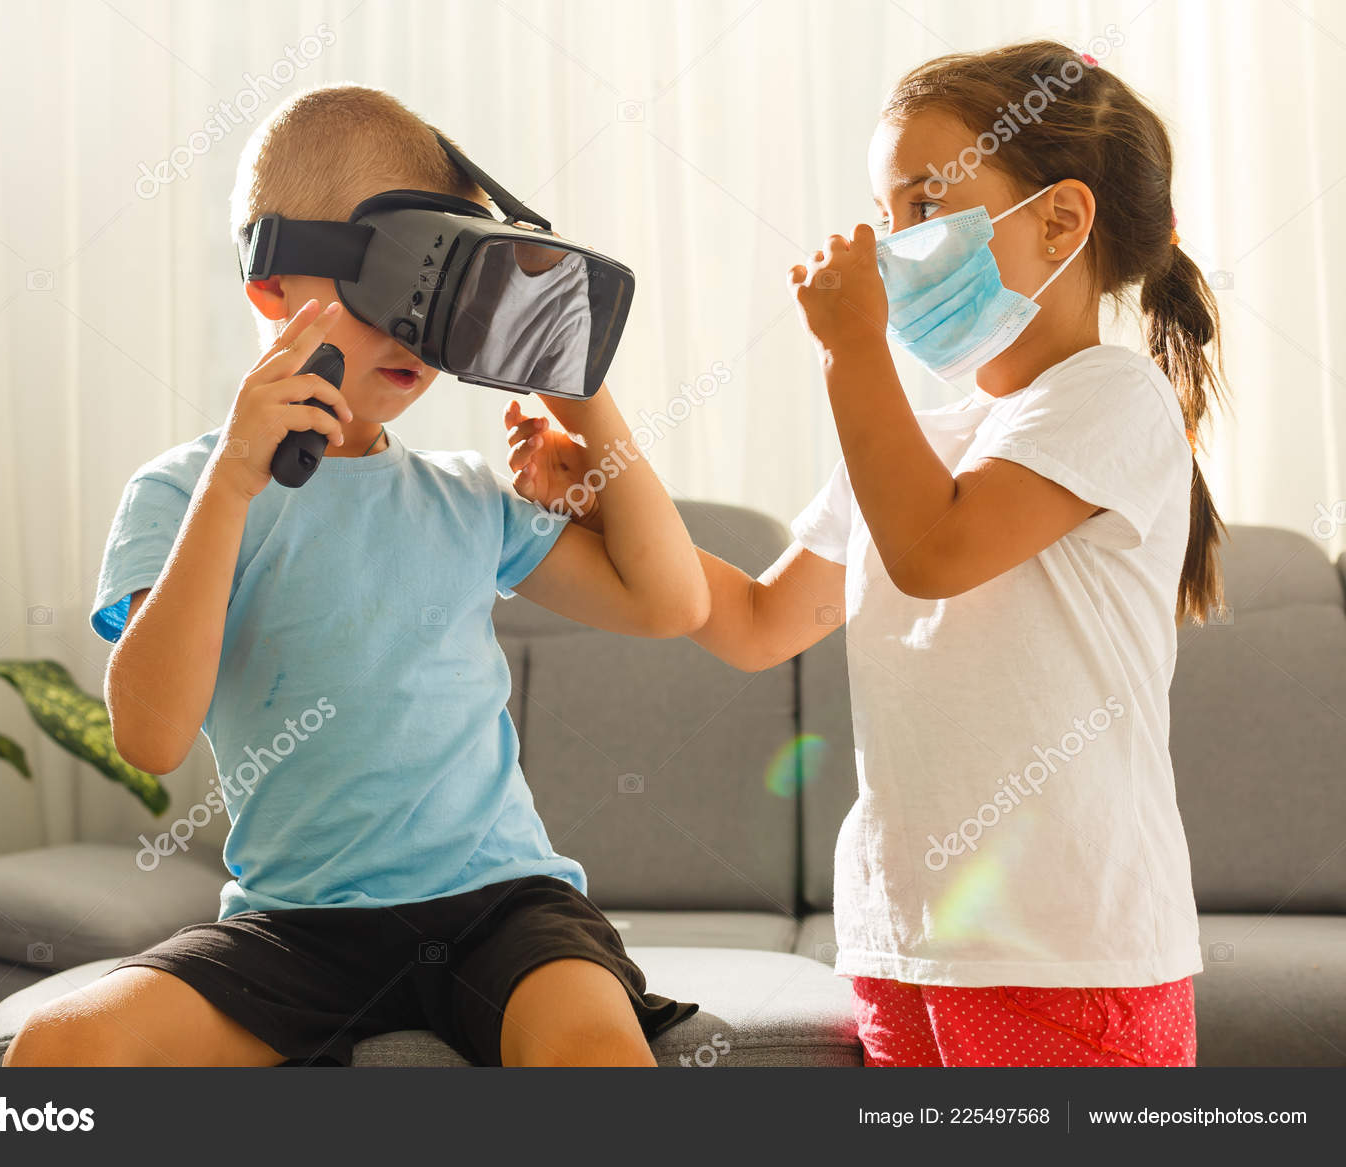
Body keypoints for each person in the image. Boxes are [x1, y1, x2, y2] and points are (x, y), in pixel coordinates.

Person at [508, 41, 1221, 1067]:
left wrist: (852, 354)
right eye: (888, 217)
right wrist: (600, 489)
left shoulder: (1110, 399)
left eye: (925, 208)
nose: (894, 248)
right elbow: (756, 623)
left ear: (1061, 220)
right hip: (903, 942)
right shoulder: (912, 442)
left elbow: (935, 550)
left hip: (1065, 953)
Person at [3, 85, 708, 1069]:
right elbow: (153, 735)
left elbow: (671, 602)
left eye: (452, 289)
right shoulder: (180, 496)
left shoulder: (466, 498)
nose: (420, 328)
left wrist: (581, 396)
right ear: (271, 287)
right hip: (300, 925)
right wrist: (232, 487)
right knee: (60, 1050)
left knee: (593, 1055)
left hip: (503, 906)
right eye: (398, 282)